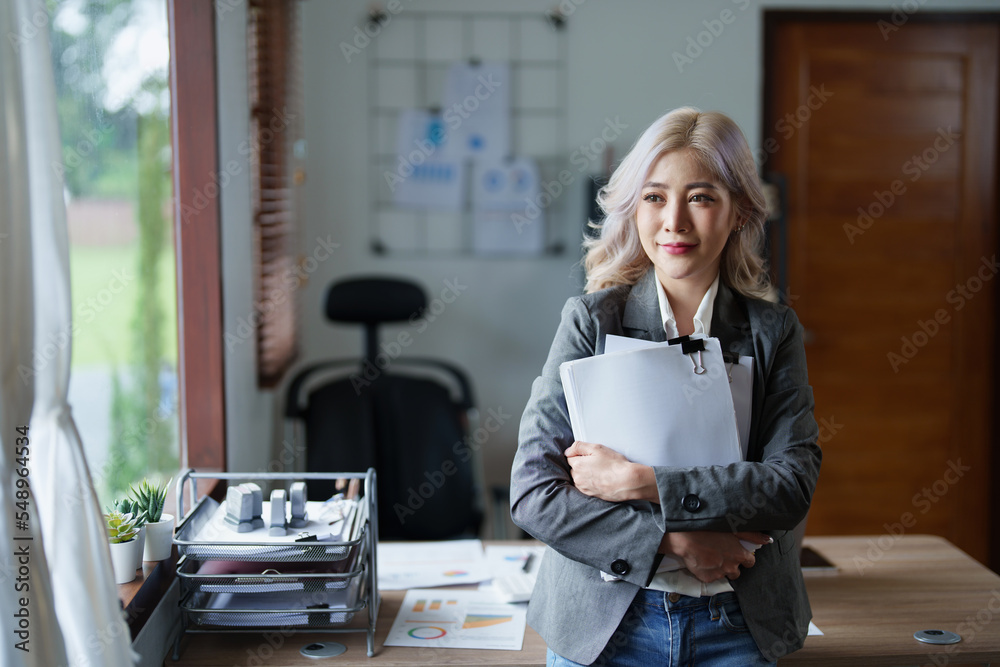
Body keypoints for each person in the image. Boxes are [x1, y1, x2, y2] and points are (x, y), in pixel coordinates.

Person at [509, 107, 822, 666]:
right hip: (606, 624)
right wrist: (673, 542)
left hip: (738, 624)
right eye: (654, 197)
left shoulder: (773, 332)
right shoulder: (590, 321)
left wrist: (644, 482)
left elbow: (790, 487)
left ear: (740, 212)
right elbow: (535, 493)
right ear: (634, 209)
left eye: (701, 198)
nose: (674, 221)